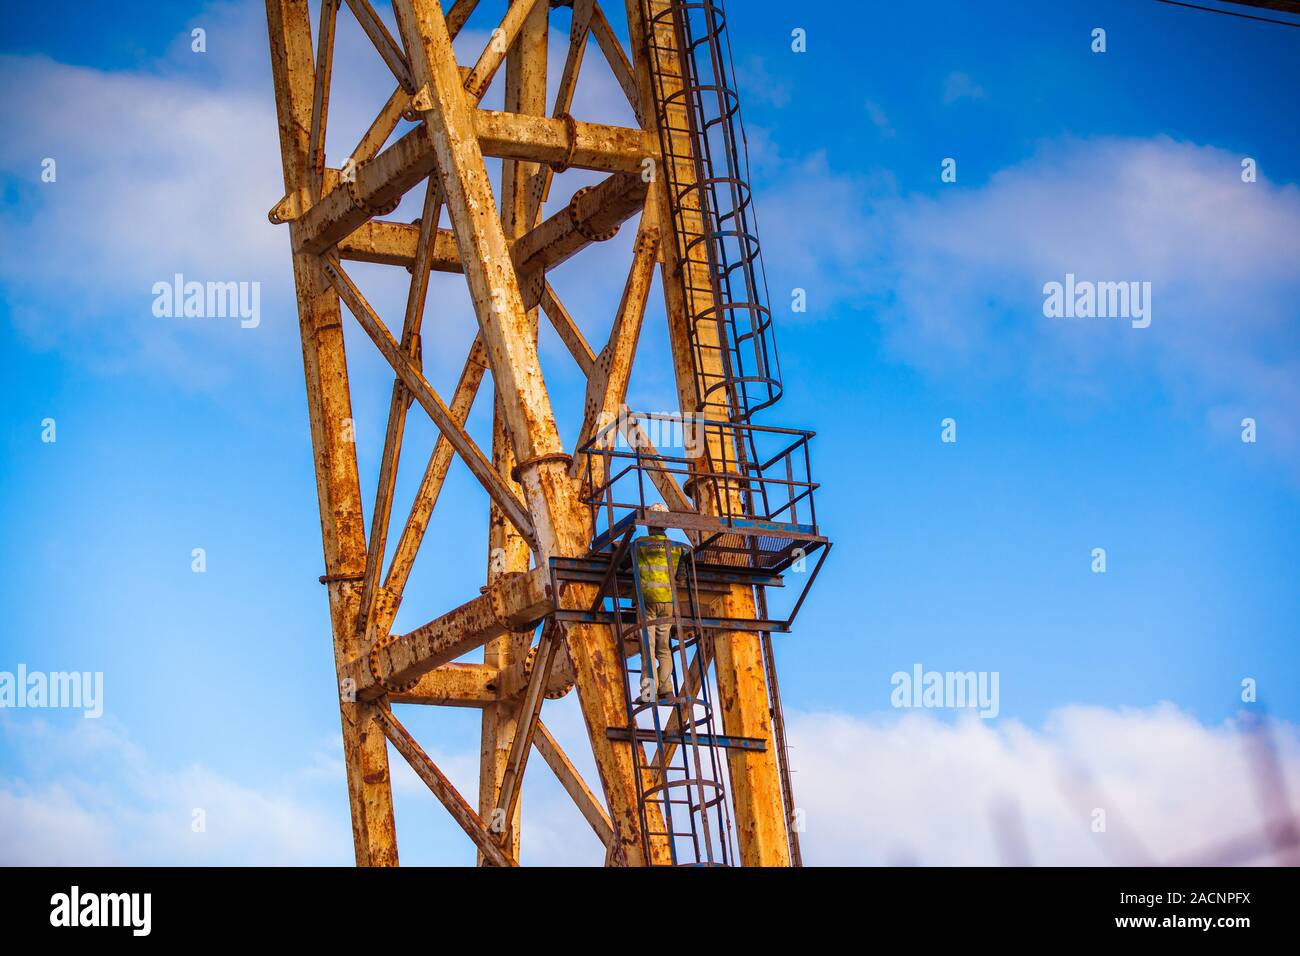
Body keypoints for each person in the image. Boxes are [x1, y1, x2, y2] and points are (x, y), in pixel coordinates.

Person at [635, 503, 688, 701]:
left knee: (647, 649)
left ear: (649, 523)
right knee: (663, 648)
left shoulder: (641, 544)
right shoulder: (676, 549)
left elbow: (625, 561)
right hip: (667, 602)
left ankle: (649, 693)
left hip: (647, 600)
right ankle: (666, 689)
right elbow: (681, 576)